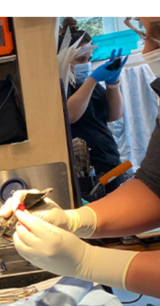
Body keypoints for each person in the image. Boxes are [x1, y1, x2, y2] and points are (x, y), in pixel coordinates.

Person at [12, 17, 160, 304]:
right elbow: (157, 186)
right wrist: (74, 219)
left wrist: (88, 261)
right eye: (144, 31)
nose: (148, 48)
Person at [58, 18, 129, 198]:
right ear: (63, 58)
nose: (87, 64)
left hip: (110, 163)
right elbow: (70, 116)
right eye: (80, 59)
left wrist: (113, 83)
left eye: (89, 59)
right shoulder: (60, 87)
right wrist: (93, 79)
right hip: (88, 172)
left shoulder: (88, 84)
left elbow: (114, 115)